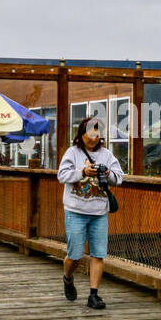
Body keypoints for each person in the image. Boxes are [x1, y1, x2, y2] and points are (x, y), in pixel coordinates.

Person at [57, 116, 124, 309]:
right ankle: (68, 278)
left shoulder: (107, 155)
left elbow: (120, 178)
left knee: (98, 254)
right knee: (75, 255)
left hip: (99, 212)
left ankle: (93, 295)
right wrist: (83, 172)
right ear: (82, 134)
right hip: (75, 210)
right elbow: (62, 175)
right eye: (90, 134)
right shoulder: (72, 152)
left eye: (97, 134)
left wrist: (109, 174)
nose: (93, 138)